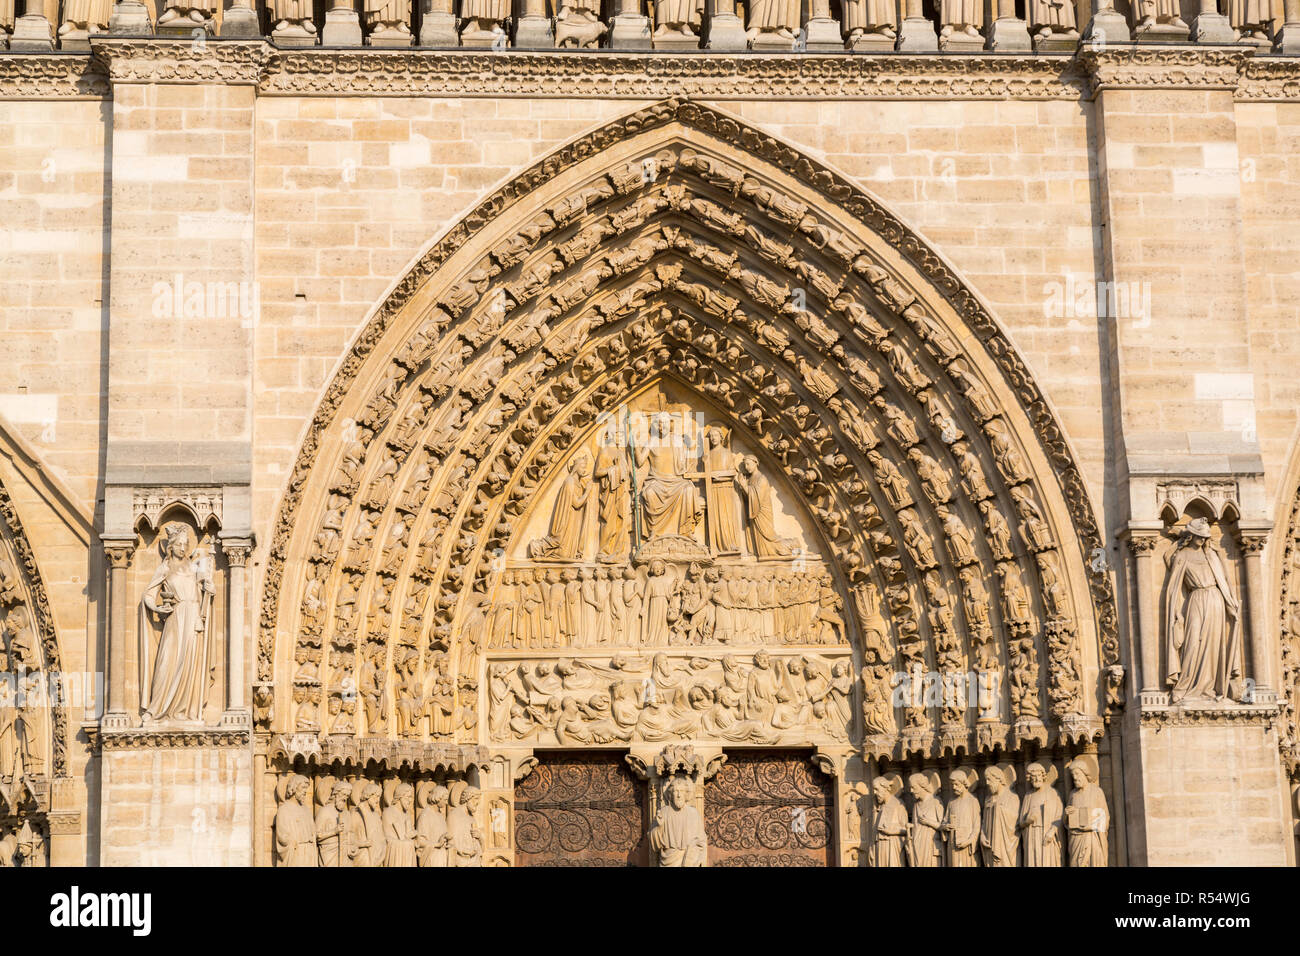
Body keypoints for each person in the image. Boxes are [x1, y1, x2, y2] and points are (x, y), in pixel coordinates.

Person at [1164, 517, 1243, 703]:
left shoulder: (1212, 556)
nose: (1202, 540)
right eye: (1199, 536)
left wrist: (1231, 606)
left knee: (1214, 646)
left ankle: (1209, 687)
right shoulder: (1182, 556)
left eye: (1204, 537)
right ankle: (1185, 686)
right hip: (1196, 599)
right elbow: (1173, 588)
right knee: (1192, 643)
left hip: (1215, 600)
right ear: (1191, 536)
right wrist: (1176, 612)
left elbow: (1223, 582)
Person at [649, 776, 707, 867]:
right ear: (670, 794)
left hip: (689, 860)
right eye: (676, 791)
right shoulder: (664, 812)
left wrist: (700, 857)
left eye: (682, 791)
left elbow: (702, 839)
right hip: (668, 859)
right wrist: (658, 827)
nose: (679, 795)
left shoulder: (693, 813)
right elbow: (654, 842)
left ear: (686, 794)